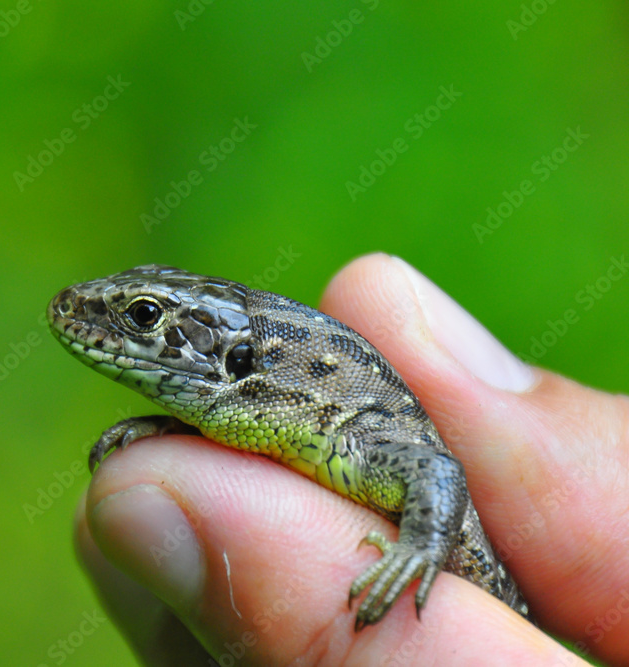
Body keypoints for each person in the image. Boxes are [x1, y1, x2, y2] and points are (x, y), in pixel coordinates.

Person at [73, 254, 627, 666]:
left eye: (143, 317)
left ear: (236, 358)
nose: (86, 316)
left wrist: (419, 549)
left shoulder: (360, 439)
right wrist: (182, 427)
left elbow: (436, 473)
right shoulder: (281, 419)